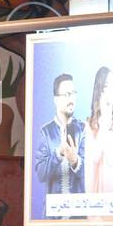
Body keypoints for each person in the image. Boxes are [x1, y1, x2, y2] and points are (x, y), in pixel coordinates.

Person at [34, 73, 85, 201]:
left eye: (73, 93)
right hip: (53, 214)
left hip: (79, 214)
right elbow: (40, 175)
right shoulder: (46, 132)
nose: (71, 98)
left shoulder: (83, 129)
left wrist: (75, 160)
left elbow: (92, 175)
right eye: (67, 94)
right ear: (56, 99)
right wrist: (58, 154)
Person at [83, 66, 113, 194]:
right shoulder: (89, 126)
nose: (111, 89)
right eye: (106, 85)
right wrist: (104, 121)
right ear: (99, 90)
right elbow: (94, 158)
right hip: (98, 199)